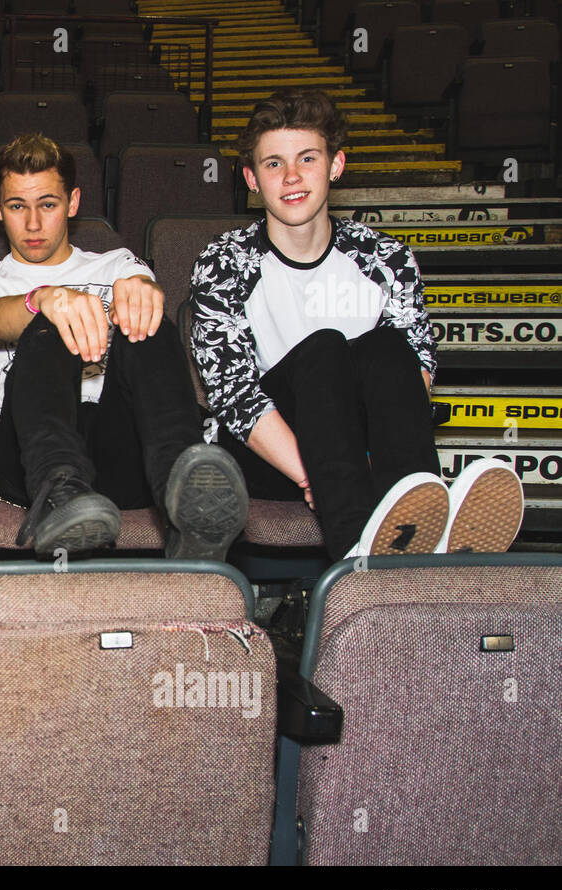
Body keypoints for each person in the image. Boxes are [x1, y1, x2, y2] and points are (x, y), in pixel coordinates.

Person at [189, 89, 524, 559]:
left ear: (335, 165)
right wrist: (315, 473)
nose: (291, 177)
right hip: (271, 456)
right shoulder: (226, 261)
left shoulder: (386, 258)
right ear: (251, 178)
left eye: (307, 158)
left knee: (387, 349)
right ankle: (357, 550)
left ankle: (421, 523)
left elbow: (417, 369)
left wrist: (367, 461)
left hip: (363, 453)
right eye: (273, 164)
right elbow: (233, 396)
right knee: (324, 347)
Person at [0, 133, 248, 559]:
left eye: (48, 205)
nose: (33, 224)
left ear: (72, 203)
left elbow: (143, 293)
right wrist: (45, 299)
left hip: (124, 451)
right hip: (32, 460)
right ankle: (62, 495)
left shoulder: (118, 265)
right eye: (18, 206)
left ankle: (187, 503)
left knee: (147, 322)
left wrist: (142, 290)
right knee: (50, 323)